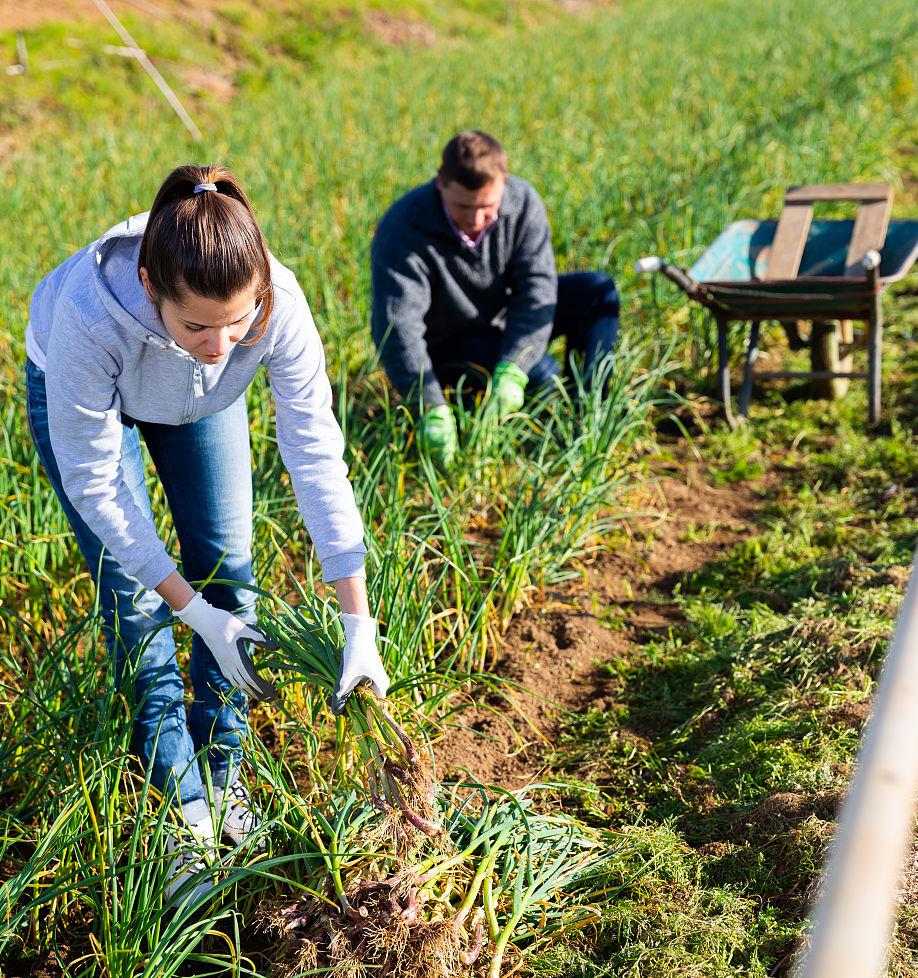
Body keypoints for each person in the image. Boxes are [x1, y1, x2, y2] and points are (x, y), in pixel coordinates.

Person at [25, 163, 389, 907]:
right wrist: (188, 610)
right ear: (151, 285)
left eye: (238, 322)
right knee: (136, 606)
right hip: (92, 391)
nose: (222, 344)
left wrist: (359, 624)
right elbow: (96, 485)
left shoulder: (276, 305)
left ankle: (225, 778)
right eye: (197, 325)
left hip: (199, 402)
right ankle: (182, 812)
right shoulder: (91, 317)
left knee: (230, 571)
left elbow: (314, 451)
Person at [370, 129, 620, 471]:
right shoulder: (404, 226)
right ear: (440, 184)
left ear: (504, 184)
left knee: (597, 291)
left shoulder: (522, 202)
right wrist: (428, 404)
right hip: (449, 341)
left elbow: (537, 290)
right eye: (462, 206)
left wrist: (514, 366)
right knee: (543, 372)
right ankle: (526, 440)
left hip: (502, 316)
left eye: (487, 207)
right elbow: (399, 327)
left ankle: (586, 421)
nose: (475, 220)